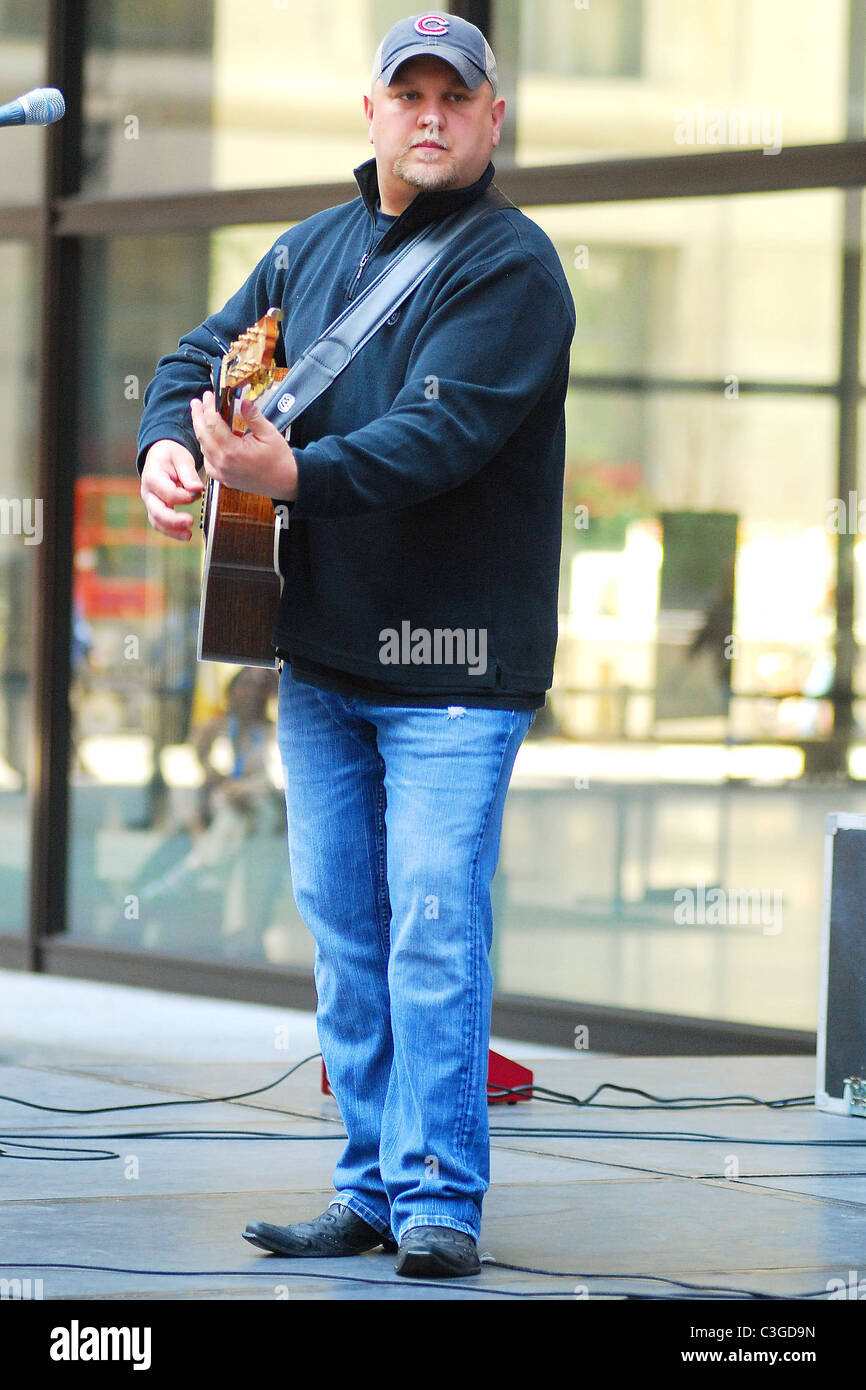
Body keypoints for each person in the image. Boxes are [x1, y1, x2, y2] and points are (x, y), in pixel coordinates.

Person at [137, 11, 575, 1280]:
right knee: (343, 926)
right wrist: (172, 440)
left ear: (493, 119)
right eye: (408, 93)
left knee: (429, 928)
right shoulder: (304, 249)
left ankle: (441, 1199)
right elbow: (186, 358)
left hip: (453, 676)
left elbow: (436, 440)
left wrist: (293, 469)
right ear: (370, 113)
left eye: (456, 95)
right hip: (321, 661)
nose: (430, 114)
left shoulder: (512, 268)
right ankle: (373, 1187)